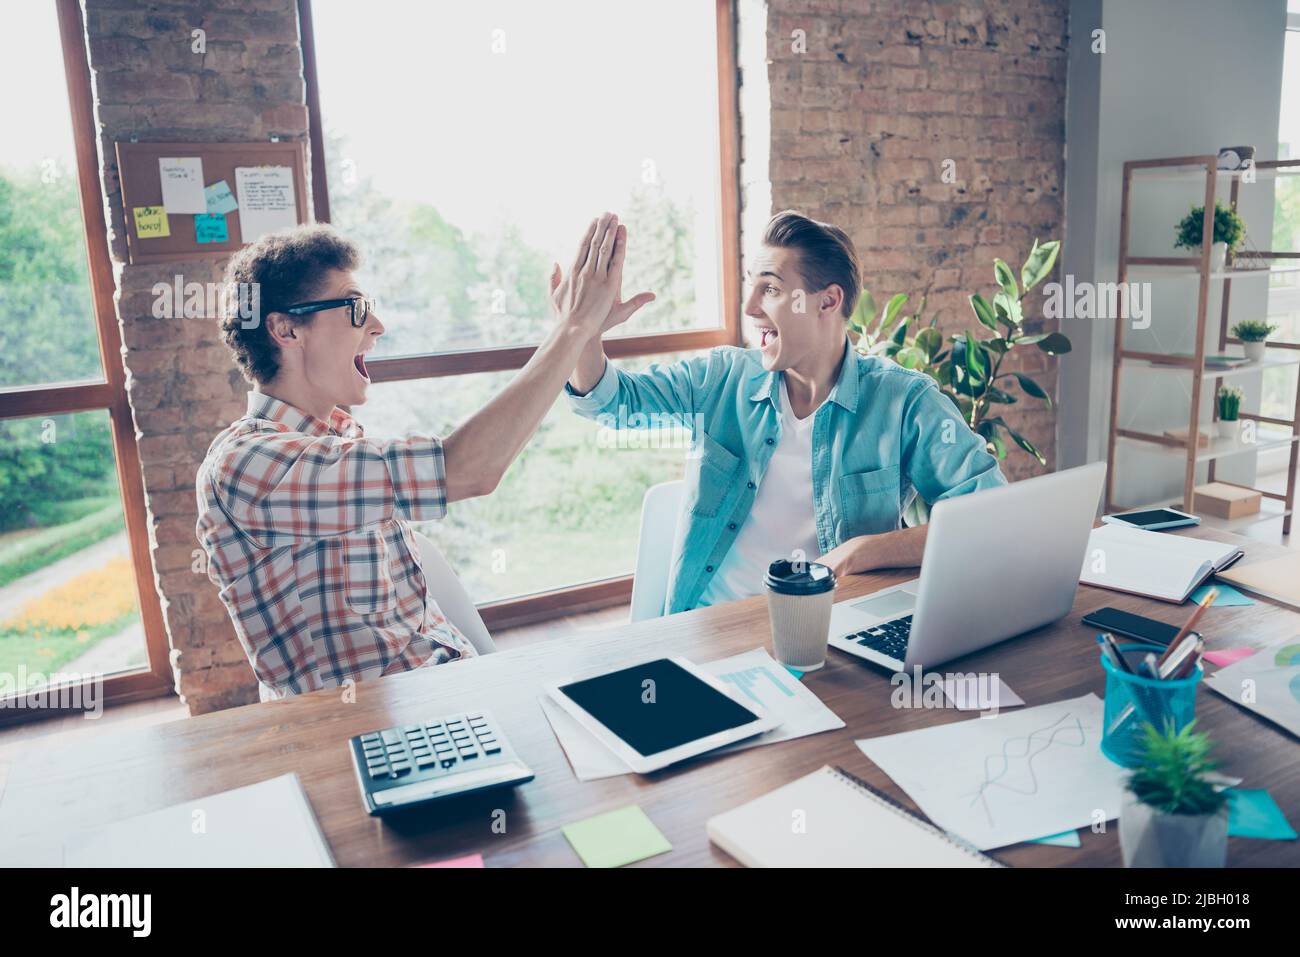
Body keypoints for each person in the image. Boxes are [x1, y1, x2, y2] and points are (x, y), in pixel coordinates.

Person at [196, 214, 650, 698]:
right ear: (286, 330)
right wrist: (574, 327)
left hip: (448, 691)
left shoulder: (340, 437)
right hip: (371, 729)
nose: (377, 325)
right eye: (356, 308)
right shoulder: (247, 465)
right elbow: (468, 470)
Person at [566, 210, 1006, 614]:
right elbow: (612, 402)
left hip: (824, 632)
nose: (750, 307)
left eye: (771, 289)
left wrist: (862, 551)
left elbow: (989, 519)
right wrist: (584, 331)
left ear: (827, 302)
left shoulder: (903, 402)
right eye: (751, 284)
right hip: (710, 630)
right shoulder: (722, 378)